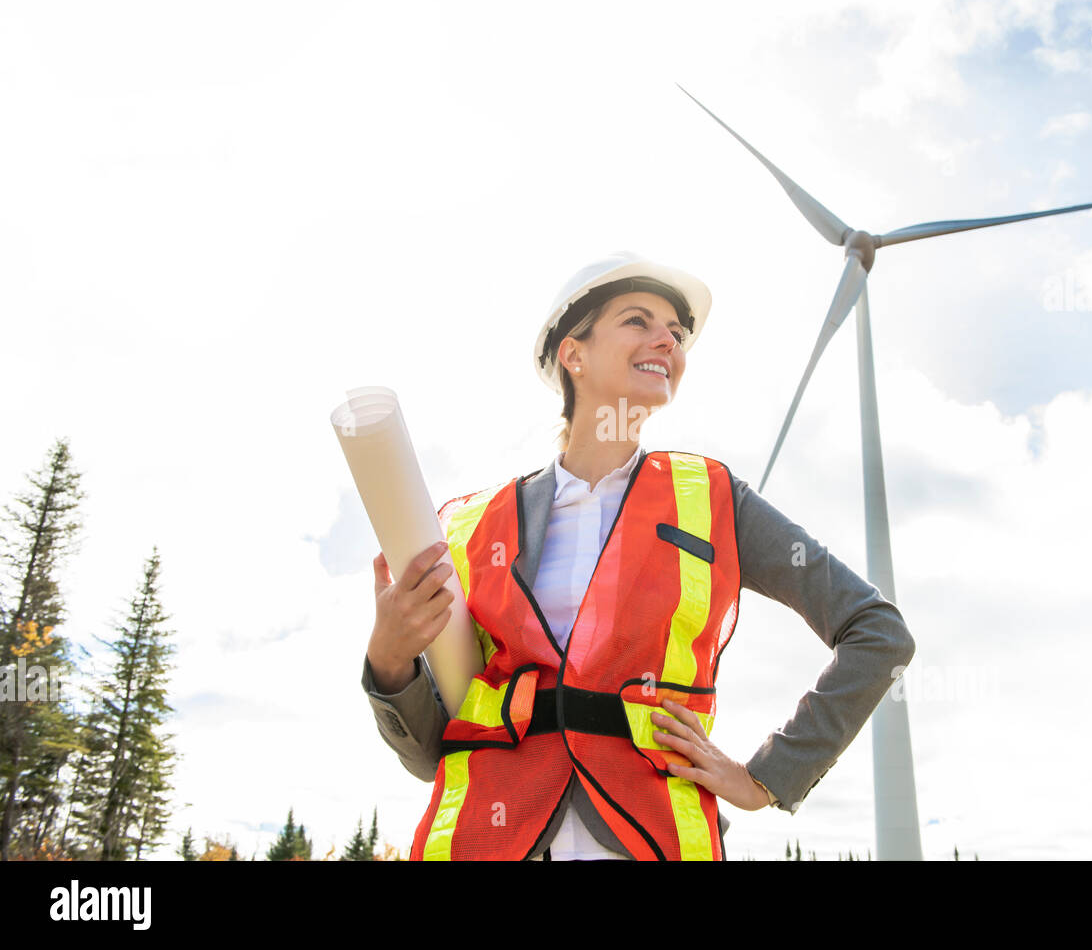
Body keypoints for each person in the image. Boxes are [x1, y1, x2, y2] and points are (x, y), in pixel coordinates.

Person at [361, 251, 915, 860]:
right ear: (573, 353)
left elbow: (878, 633)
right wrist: (389, 661)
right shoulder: (470, 526)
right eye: (637, 320)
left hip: (650, 839)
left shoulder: (713, 500)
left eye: (677, 334)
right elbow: (431, 752)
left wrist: (768, 777)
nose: (668, 341)